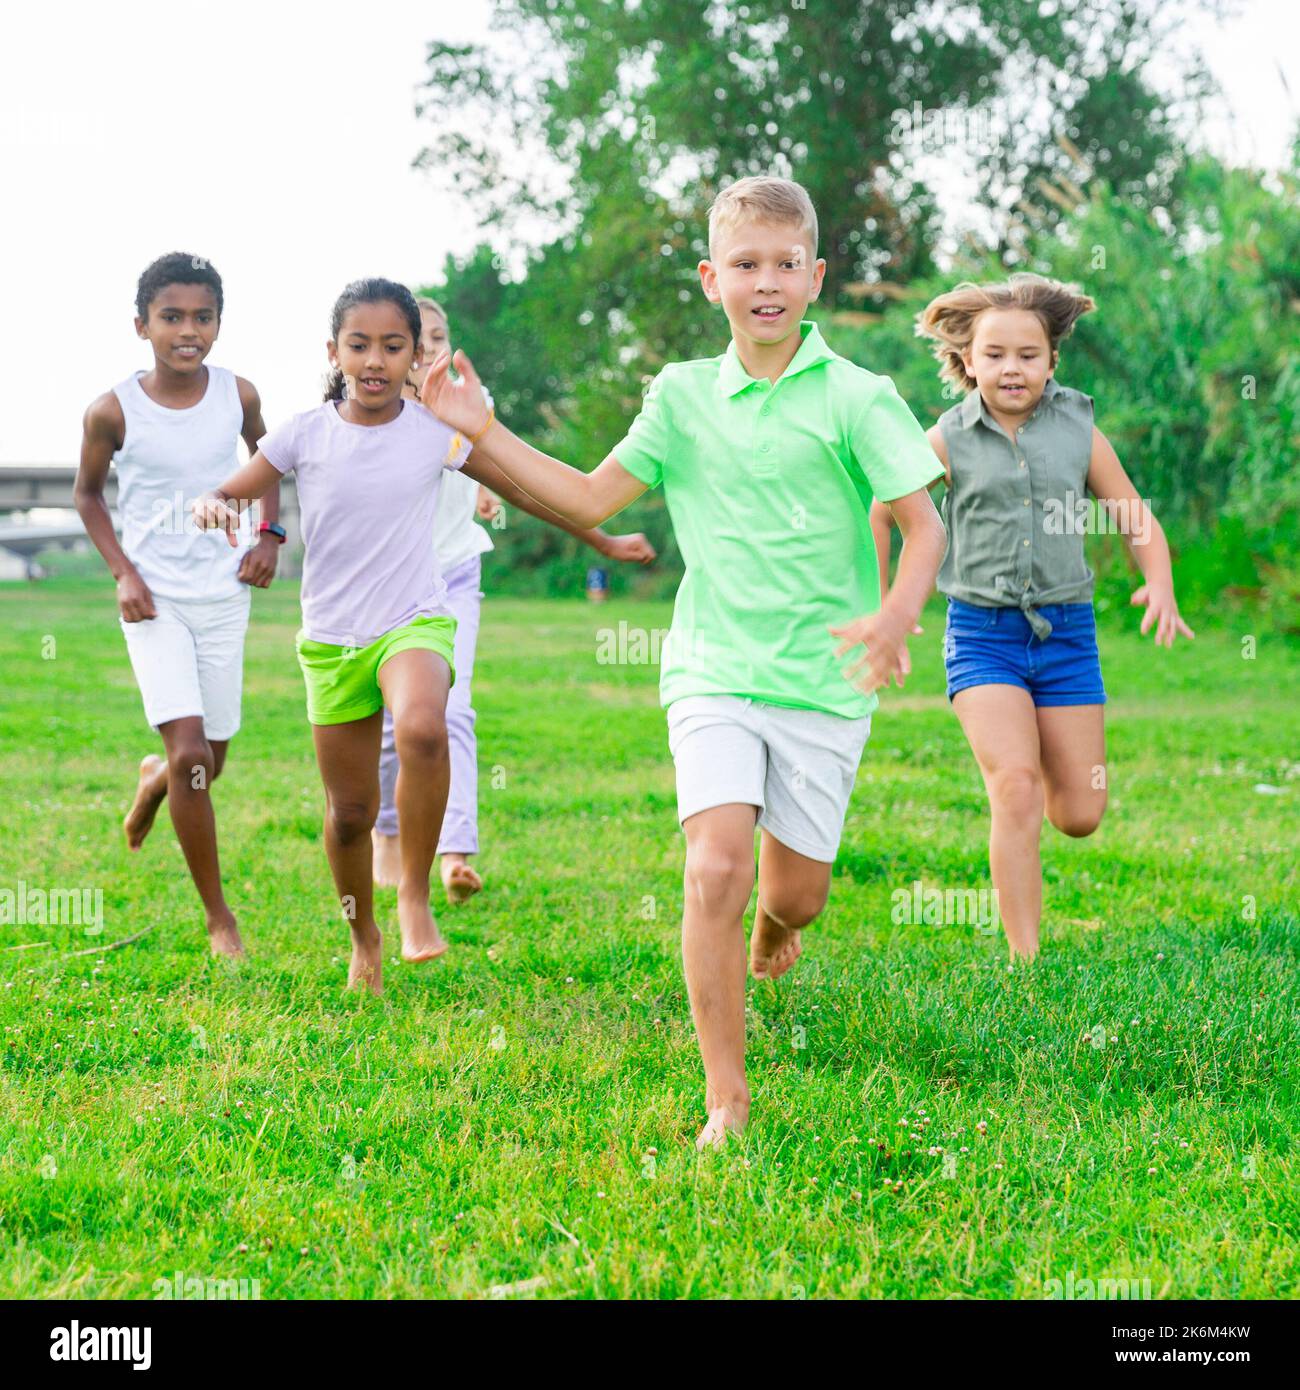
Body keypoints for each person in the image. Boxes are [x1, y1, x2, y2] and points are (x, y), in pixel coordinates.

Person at [419, 177, 947, 1146]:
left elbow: (922, 524)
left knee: (797, 894)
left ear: (817, 276)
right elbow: (585, 501)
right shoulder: (679, 396)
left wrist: (896, 617)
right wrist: (481, 432)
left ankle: (776, 924)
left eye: (786, 263)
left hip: (823, 686)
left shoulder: (858, 397)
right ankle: (727, 1099)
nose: (767, 282)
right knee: (713, 867)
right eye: (746, 264)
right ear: (712, 279)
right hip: (711, 668)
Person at [872, 272, 1194, 959]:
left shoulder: (1078, 426)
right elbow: (883, 507)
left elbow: (1131, 513)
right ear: (966, 362)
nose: (1011, 368)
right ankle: (1027, 957)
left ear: (1052, 360)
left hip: (1067, 635)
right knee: (1015, 788)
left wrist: (1158, 582)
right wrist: (886, 606)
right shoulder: (946, 438)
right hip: (982, 635)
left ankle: (1046, 751)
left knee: (1079, 814)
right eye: (994, 355)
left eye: (1028, 354)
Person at [372, 296, 657, 901]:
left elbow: (527, 485)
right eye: (412, 341)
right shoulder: (376, 414)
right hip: (389, 586)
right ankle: (388, 832)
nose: (427, 352)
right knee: (396, 723)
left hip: (453, 577)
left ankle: (454, 852)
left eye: (438, 338)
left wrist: (602, 540)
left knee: (452, 709)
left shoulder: (470, 410)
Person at [75, 251, 283, 958]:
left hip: (224, 596)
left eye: (202, 317)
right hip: (154, 603)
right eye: (172, 317)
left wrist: (269, 538)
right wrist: (122, 572)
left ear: (219, 324)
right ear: (142, 325)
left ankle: (153, 783)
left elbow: (270, 462)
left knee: (209, 759)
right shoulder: (112, 410)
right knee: (193, 751)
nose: (187, 330)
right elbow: (88, 495)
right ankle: (219, 918)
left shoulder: (239, 395)